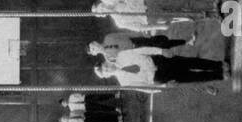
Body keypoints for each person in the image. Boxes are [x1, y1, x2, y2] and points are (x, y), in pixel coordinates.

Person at [95, 50, 227, 86]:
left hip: (157, 61)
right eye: (105, 71)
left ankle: (219, 65)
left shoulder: (122, 55)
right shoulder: (123, 82)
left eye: (105, 66)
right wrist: (164, 86)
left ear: (106, 62)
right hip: (158, 77)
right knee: (191, 77)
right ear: (107, 76)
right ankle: (220, 76)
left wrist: (160, 51)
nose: (108, 69)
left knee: (190, 62)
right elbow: (146, 88)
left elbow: (142, 50)